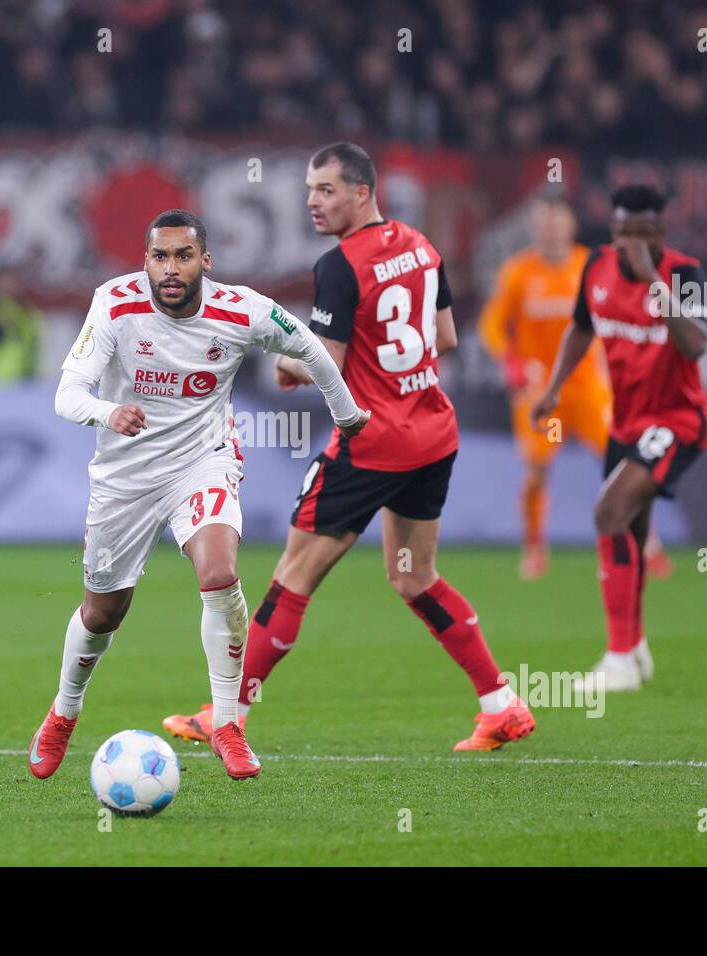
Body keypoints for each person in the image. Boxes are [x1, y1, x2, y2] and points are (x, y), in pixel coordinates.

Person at [164, 143, 535, 753]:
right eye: (310, 188)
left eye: (327, 190)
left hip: (371, 443)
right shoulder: (421, 244)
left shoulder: (340, 265)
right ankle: (501, 704)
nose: (313, 200)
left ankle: (224, 714)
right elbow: (442, 337)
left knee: (292, 575)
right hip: (432, 434)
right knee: (414, 577)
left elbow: (325, 363)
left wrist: (288, 364)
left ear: (363, 193)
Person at [29, 209, 370, 781]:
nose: (169, 268)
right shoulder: (114, 303)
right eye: (159, 256)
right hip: (124, 478)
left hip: (202, 463)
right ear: (145, 262)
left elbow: (309, 346)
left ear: (204, 262)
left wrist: (347, 411)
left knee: (218, 574)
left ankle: (229, 724)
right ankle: (64, 712)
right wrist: (110, 411)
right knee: (103, 610)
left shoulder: (240, 310)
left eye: (182, 256)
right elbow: (67, 394)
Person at [531, 185, 707, 692]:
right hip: (626, 423)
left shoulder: (685, 273)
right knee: (628, 530)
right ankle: (634, 650)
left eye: (643, 232)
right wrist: (552, 390)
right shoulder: (596, 267)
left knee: (608, 512)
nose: (631, 241)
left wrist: (654, 279)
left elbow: (696, 344)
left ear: (661, 233)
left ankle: (618, 660)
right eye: (622, 231)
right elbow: (581, 329)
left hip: (678, 422)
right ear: (611, 230)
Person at [479, 196, 674, 580]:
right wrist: (511, 361)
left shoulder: (594, 265)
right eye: (543, 222)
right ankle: (535, 549)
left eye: (556, 221)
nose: (549, 229)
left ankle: (646, 543)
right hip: (540, 391)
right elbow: (491, 326)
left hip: (587, 389)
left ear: (571, 225)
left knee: (624, 464)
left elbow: (626, 312)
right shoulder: (518, 273)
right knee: (537, 471)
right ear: (534, 228)